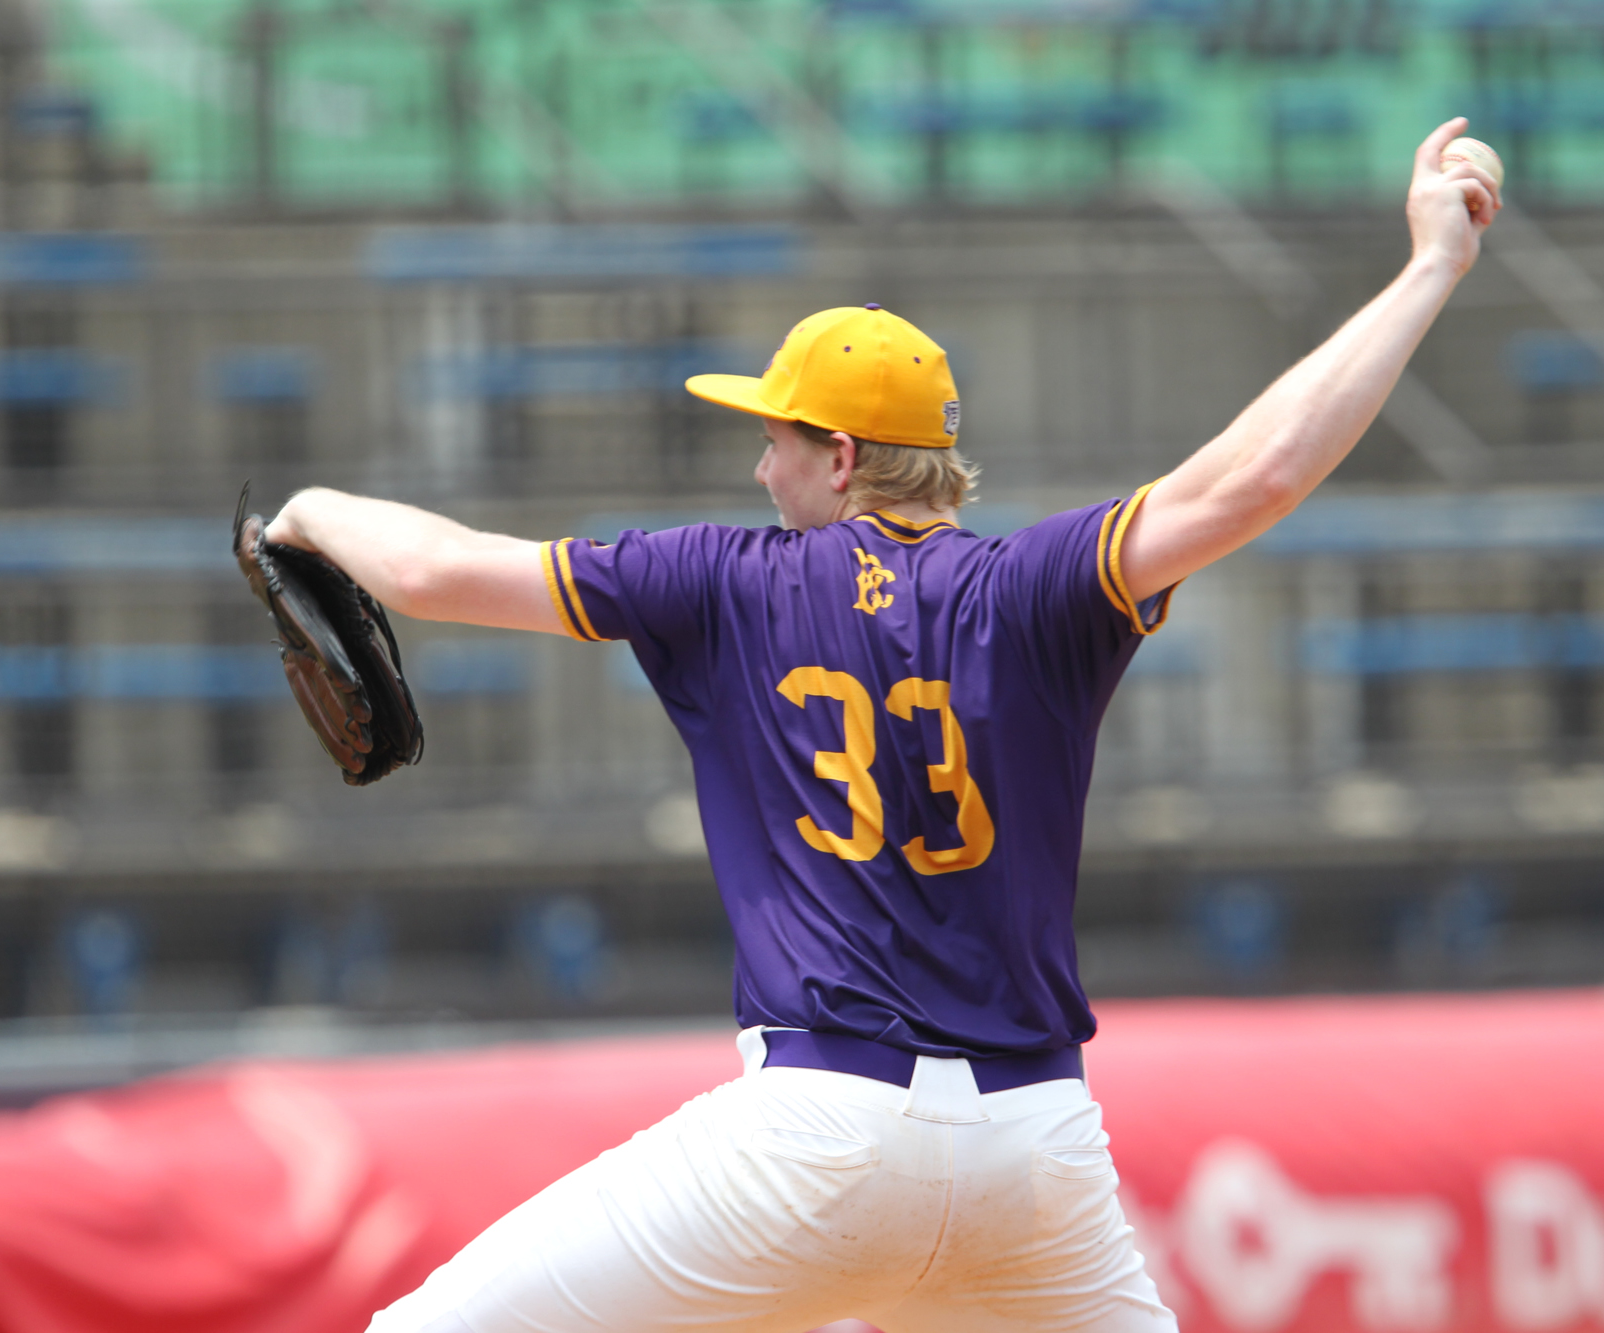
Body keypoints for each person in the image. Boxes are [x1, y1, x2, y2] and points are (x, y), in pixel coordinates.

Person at [266, 119, 1500, 1333]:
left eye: (777, 438)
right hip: (1035, 1155)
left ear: (842, 455)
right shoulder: (1037, 587)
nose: (761, 469)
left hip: (815, 1139)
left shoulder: (719, 580)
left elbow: (432, 572)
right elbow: (1258, 477)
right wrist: (1430, 266)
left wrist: (309, 509)